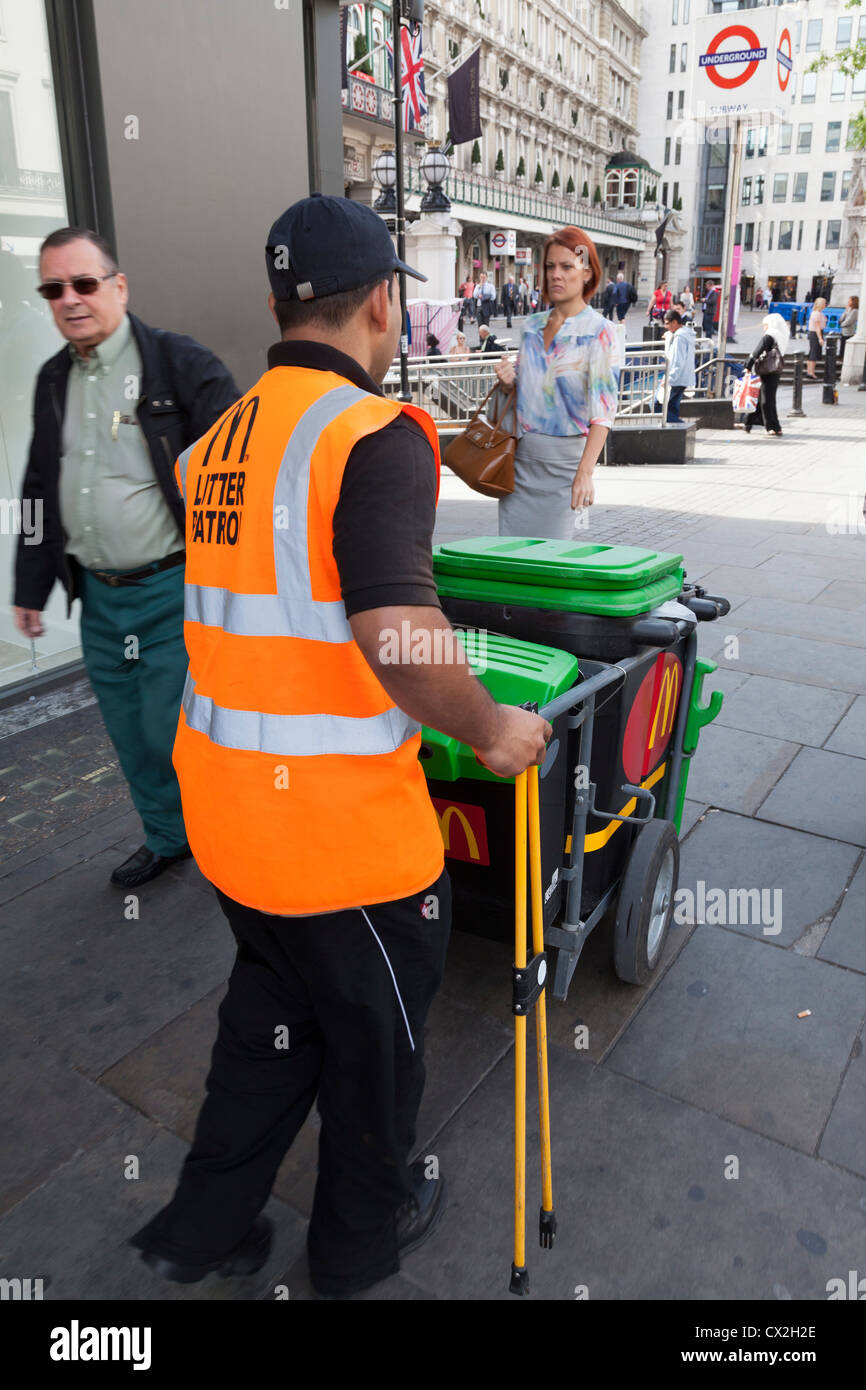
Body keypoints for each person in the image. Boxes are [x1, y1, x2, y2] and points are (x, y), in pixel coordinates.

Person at [127, 193, 551, 1300]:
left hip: (231, 821)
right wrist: (491, 725)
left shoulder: (216, 443)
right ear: (379, 303)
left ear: (276, 305)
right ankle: (357, 1244)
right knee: (375, 1052)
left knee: (268, 1025)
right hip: (344, 846)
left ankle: (201, 1226)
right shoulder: (371, 435)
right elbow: (395, 632)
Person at [12, 226, 239, 887]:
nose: (70, 300)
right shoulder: (55, 378)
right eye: (53, 289)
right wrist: (30, 585)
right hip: (99, 595)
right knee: (130, 733)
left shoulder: (179, 364)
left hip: (174, 588)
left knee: (175, 729)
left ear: (118, 286)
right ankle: (169, 837)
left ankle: (224, 838)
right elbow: (35, 485)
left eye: (84, 283)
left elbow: (237, 473)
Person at [494, 225, 620, 541]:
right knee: (515, 561)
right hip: (521, 466)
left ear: (588, 273)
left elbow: (603, 413)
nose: (556, 275)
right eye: (550, 266)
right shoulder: (531, 326)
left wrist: (584, 474)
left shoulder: (599, 330)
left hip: (567, 469)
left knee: (555, 565)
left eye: (567, 266)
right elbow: (528, 392)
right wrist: (509, 383)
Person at [744, 312, 787, 436]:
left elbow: (756, 352)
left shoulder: (770, 336)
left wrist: (747, 366)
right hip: (776, 369)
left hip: (767, 369)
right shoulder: (781, 336)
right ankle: (748, 422)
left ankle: (771, 426)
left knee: (766, 399)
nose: (764, 328)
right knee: (763, 397)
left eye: (765, 325)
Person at [654, 309, 695, 424]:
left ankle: (683, 428)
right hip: (681, 377)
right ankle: (678, 429)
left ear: (675, 322)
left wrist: (669, 379)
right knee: (672, 408)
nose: (666, 326)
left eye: (667, 323)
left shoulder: (680, 338)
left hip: (676, 378)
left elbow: (678, 361)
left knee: (657, 405)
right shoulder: (684, 334)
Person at [806, 296, 827, 380]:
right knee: (813, 354)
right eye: (825, 303)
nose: (825, 305)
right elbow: (817, 327)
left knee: (812, 353)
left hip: (814, 333)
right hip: (815, 334)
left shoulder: (816, 312)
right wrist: (820, 338)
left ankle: (810, 372)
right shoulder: (817, 314)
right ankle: (811, 372)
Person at [839, 295, 859, 363]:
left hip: (849, 332)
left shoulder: (855, 311)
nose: (848, 302)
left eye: (850, 300)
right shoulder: (849, 309)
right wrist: (846, 311)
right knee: (842, 346)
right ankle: (841, 358)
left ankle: (844, 359)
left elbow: (848, 321)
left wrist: (841, 324)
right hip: (843, 331)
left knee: (845, 347)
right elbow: (841, 319)